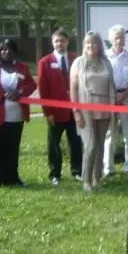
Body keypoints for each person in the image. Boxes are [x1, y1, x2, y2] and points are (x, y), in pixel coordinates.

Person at [70, 31, 116, 192]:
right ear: (84, 45)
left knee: (101, 145)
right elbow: (73, 89)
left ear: (99, 46)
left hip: (104, 110)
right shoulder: (78, 63)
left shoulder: (106, 62)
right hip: (85, 111)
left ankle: (97, 179)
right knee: (90, 145)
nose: (91, 46)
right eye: (88, 43)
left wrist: (113, 109)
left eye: (94, 43)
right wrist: (76, 112)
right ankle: (86, 181)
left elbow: (112, 86)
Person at [38, 28, 82, 185]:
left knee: (75, 142)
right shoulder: (45, 62)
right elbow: (43, 90)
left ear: (67, 42)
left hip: (74, 111)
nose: (59, 44)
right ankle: (54, 174)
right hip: (55, 113)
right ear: (52, 43)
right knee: (53, 144)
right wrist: (47, 112)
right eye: (56, 41)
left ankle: (77, 171)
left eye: (62, 41)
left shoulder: (76, 59)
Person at [0, 39, 36, 187]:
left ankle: (13, 177)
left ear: (14, 51)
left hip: (17, 114)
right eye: (2, 49)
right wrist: (4, 94)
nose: (5, 52)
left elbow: (31, 85)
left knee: (13, 147)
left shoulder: (22, 67)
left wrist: (19, 92)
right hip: (1, 114)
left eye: (8, 49)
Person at [104, 25, 128, 176]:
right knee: (110, 135)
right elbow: (103, 79)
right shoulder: (104, 56)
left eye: (121, 37)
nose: (119, 40)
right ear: (110, 39)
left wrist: (124, 95)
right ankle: (108, 168)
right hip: (110, 98)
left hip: (127, 97)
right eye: (116, 37)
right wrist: (113, 96)